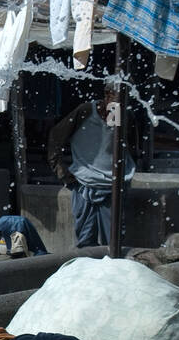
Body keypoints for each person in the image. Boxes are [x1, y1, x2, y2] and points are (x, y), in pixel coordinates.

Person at [47, 82, 135, 247]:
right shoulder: (86, 111)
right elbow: (56, 136)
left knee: (113, 243)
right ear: (107, 95)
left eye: (125, 100)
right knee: (85, 242)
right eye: (118, 98)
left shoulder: (120, 115)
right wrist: (60, 169)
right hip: (84, 184)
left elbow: (125, 146)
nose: (121, 104)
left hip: (112, 186)